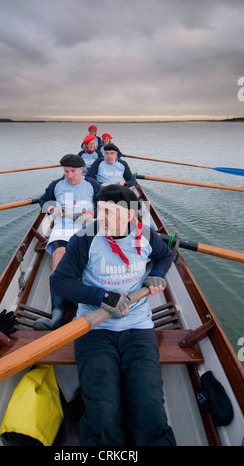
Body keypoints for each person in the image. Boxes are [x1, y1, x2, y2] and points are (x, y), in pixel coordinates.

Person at [50, 184, 176, 446]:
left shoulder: (147, 235)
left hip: (138, 329)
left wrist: (157, 274)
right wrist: (103, 297)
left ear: (129, 216)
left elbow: (166, 257)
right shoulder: (86, 237)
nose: (100, 218)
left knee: (150, 413)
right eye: (99, 210)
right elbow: (59, 283)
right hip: (95, 330)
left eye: (108, 212)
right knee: (103, 416)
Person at [36, 154, 101, 330]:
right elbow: (43, 201)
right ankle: (56, 314)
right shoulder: (56, 185)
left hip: (86, 228)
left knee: (88, 263)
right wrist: (50, 207)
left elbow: (104, 205)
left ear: (82, 170)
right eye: (66, 171)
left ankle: (81, 312)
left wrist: (92, 214)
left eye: (73, 171)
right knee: (59, 258)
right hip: (62, 229)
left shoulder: (93, 185)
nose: (70, 175)